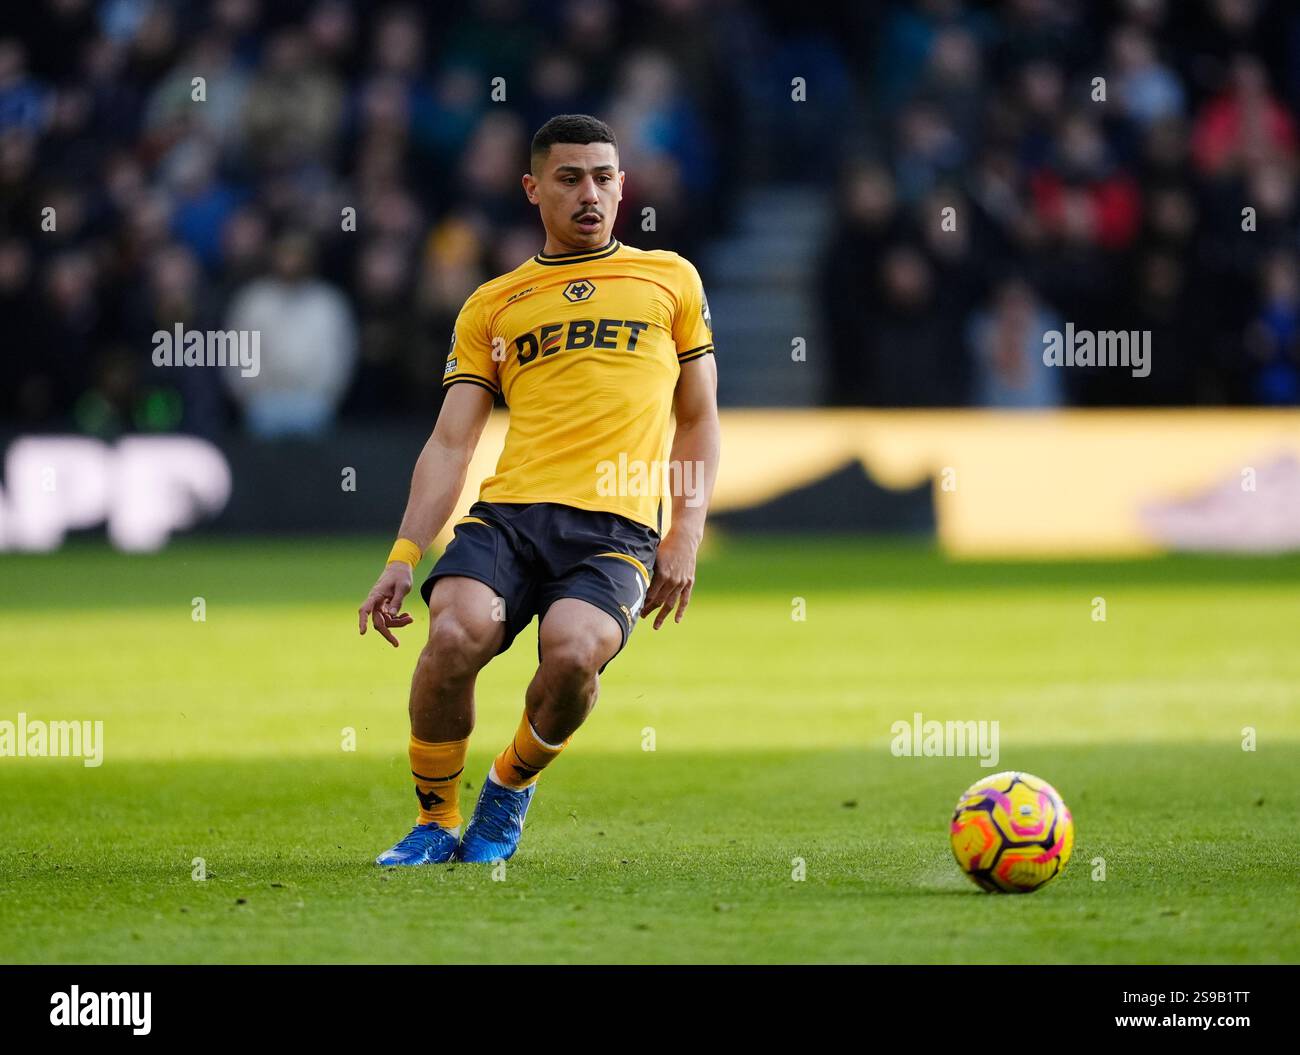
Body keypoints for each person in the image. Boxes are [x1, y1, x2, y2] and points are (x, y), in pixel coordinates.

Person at [358, 114, 721, 865]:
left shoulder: (671, 279)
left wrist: (685, 530)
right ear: (532, 188)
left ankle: (507, 787)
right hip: (510, 519)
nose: (590, 193)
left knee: (572, 655)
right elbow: (451, 441)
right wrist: (403, 553)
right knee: (454, 634)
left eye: (604, 177)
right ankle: (434, 821)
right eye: (569, 178)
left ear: (623, 185)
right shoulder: (494, 304)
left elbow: (698, 419)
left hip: (616, 529)